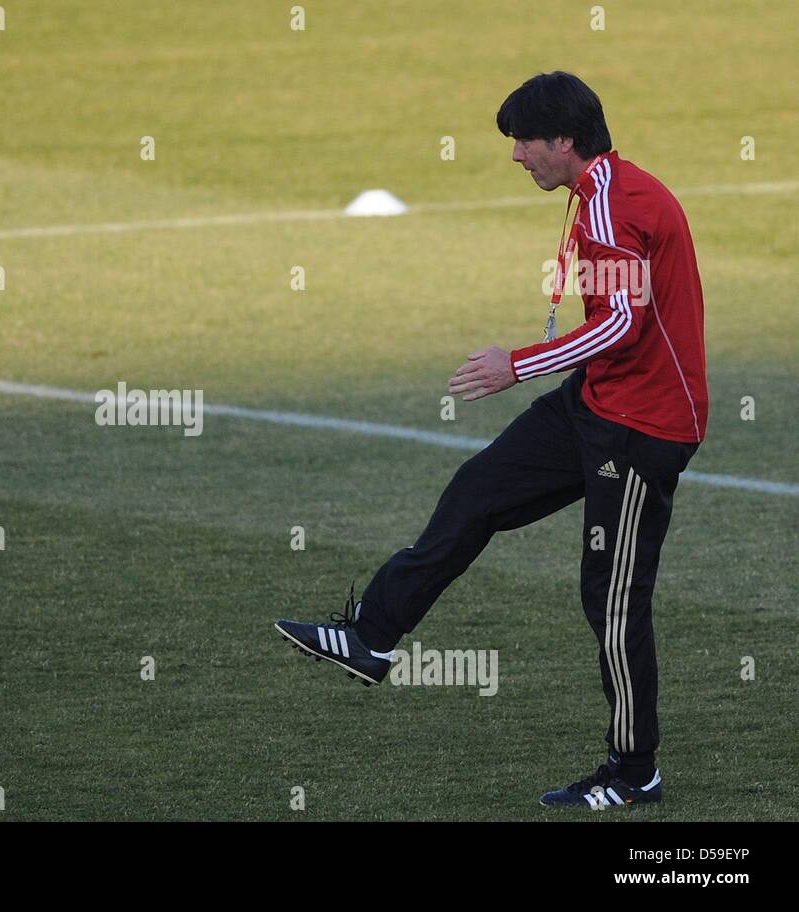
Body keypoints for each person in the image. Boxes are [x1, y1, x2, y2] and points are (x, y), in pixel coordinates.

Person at [275, 71, 708, 809]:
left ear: (565, 142)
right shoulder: (602, 190)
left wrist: (518, 364)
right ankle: (372, 637)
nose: (517, 157)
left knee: (611, 600)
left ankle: (636, 773)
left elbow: (621, 325)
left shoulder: (611, 206)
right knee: (479, 491)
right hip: (598, 401)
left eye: (525, 143)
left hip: (643, 427)